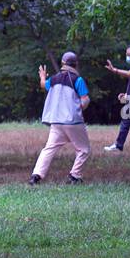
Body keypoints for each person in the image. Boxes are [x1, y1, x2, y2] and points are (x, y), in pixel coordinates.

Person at [29, 51, 91, 185]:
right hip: (73, 121)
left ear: (63, 63)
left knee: (49, 149)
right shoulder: (78, 80)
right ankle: (74, 176)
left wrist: (42, 77)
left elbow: (43, 85)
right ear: (76, 64)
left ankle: (36, 175)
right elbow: (85, 99)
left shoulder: (54, 79)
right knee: (83, 149)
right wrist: (79, 107)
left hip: (56, 121)